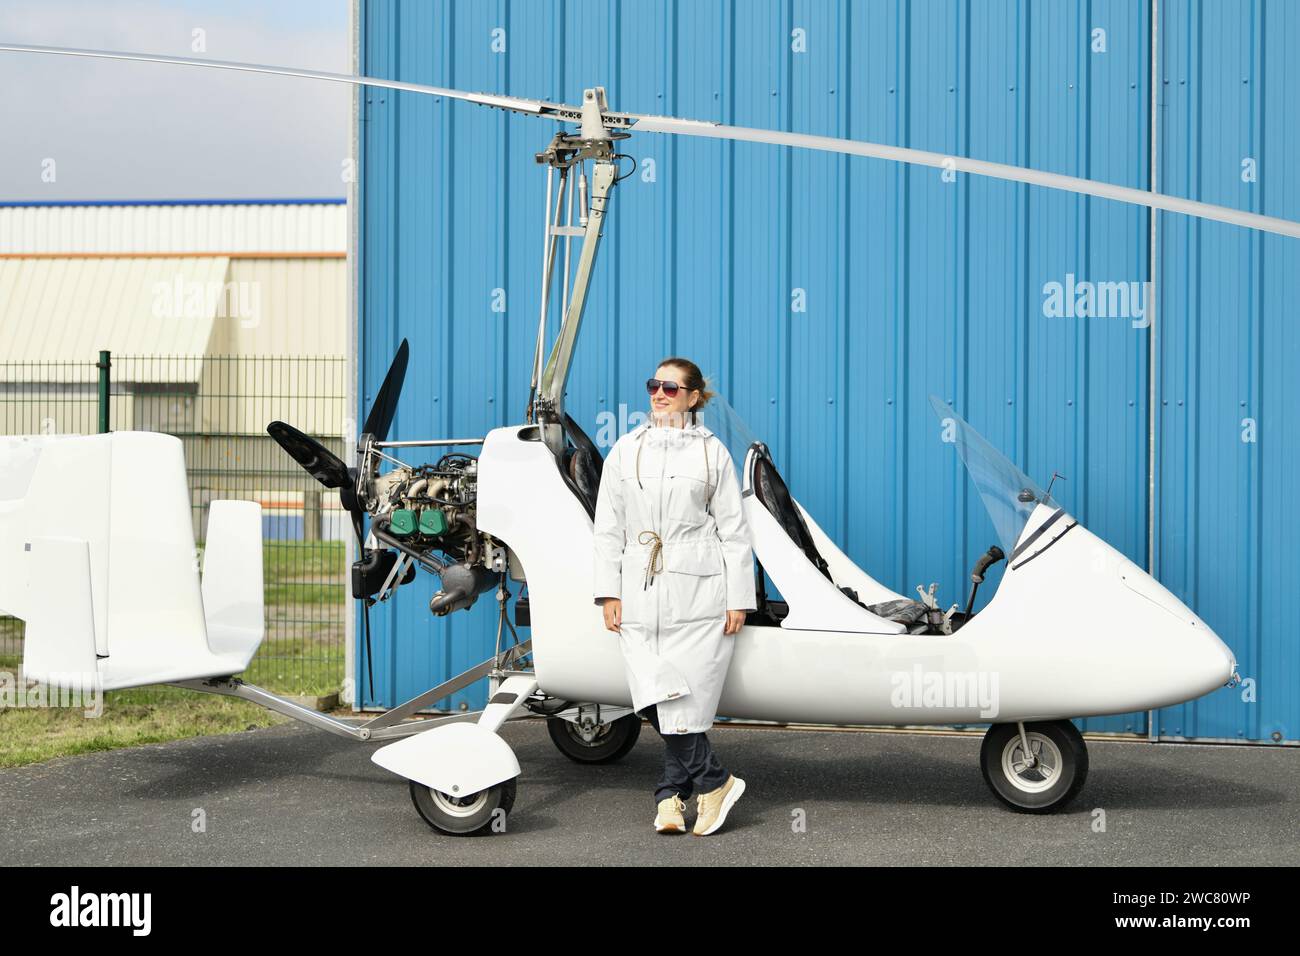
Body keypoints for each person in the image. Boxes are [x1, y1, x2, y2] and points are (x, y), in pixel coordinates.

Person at [591, 357, 757, 836]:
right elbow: (608, 527)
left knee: (682, 699)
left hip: (700, 591)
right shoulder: (626, 450)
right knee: (653, 693)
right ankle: (714, 781)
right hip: (640, 586)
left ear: (692, 396)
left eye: (669, 387)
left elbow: (734, 531)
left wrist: (737, 598)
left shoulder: (712, 454)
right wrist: (607, 592)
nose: (659, 394)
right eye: (653, 386)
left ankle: (669, 798)